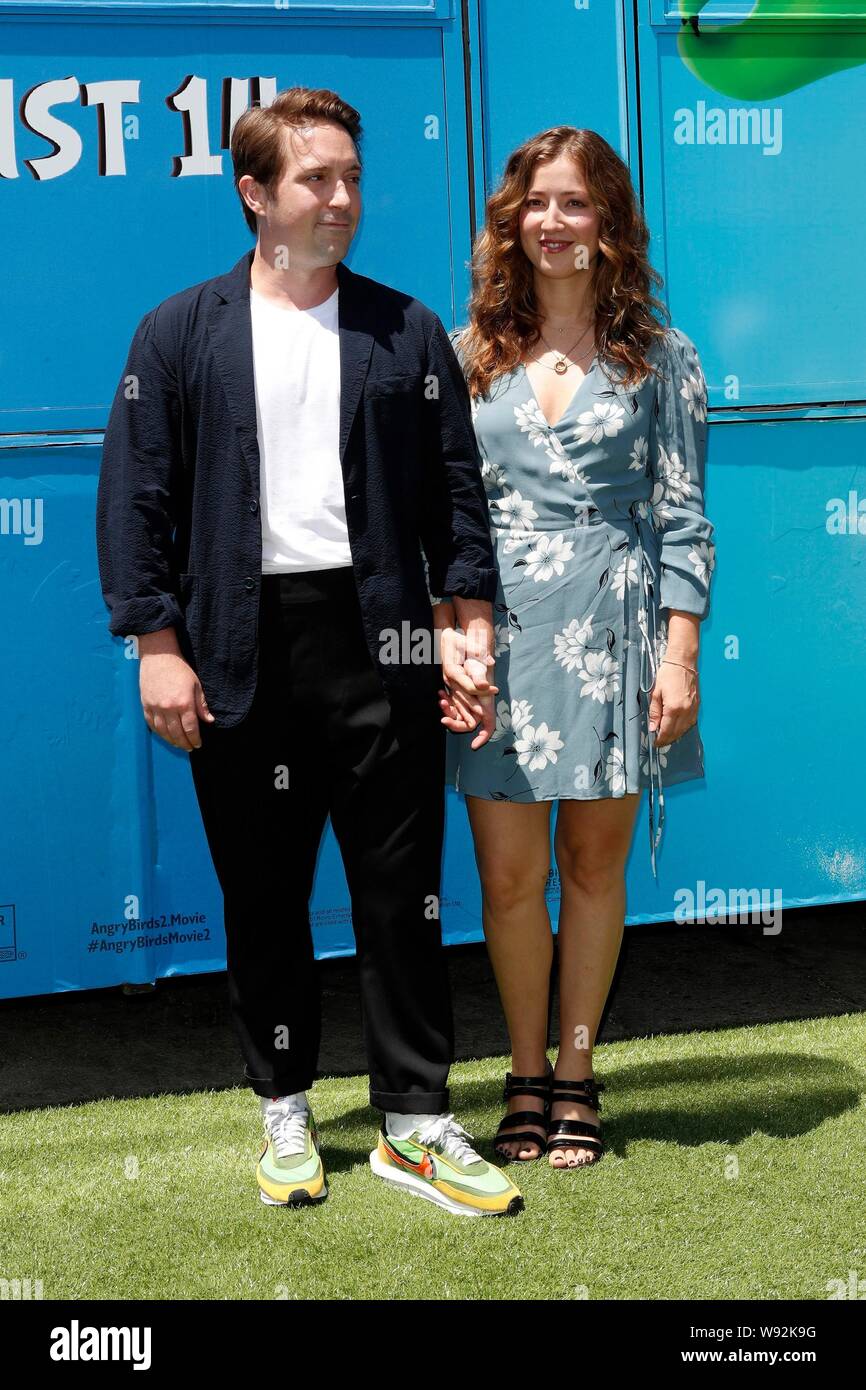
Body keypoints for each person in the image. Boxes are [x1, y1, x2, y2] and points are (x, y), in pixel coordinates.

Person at [95, 86, 523, 1218]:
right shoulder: (177, 334)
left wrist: (465, 628)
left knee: (401, 896)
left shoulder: (404, 329)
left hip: (378, 640)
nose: (341, 199)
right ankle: (285, 1106)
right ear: (255, 194)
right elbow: (135, 500)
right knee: (264, 896)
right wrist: (157, 645)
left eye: (351, 177)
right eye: (314, 179)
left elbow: (454, 498)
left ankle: (414, 1123)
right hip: (237, 648)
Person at [434, 126, 716, 1169]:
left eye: (574, 204)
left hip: (617, 634)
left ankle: (578, 1074)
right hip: (495, 641)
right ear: (511, 225)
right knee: (508, 879)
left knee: (591, 868)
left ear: (607, 223)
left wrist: (679, 654)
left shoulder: (661, 356)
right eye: (534, 205)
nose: (552, 223)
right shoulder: (467, 357)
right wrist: (447, 636)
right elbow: (439, 518)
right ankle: (520, 1072)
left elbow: (685, 517)